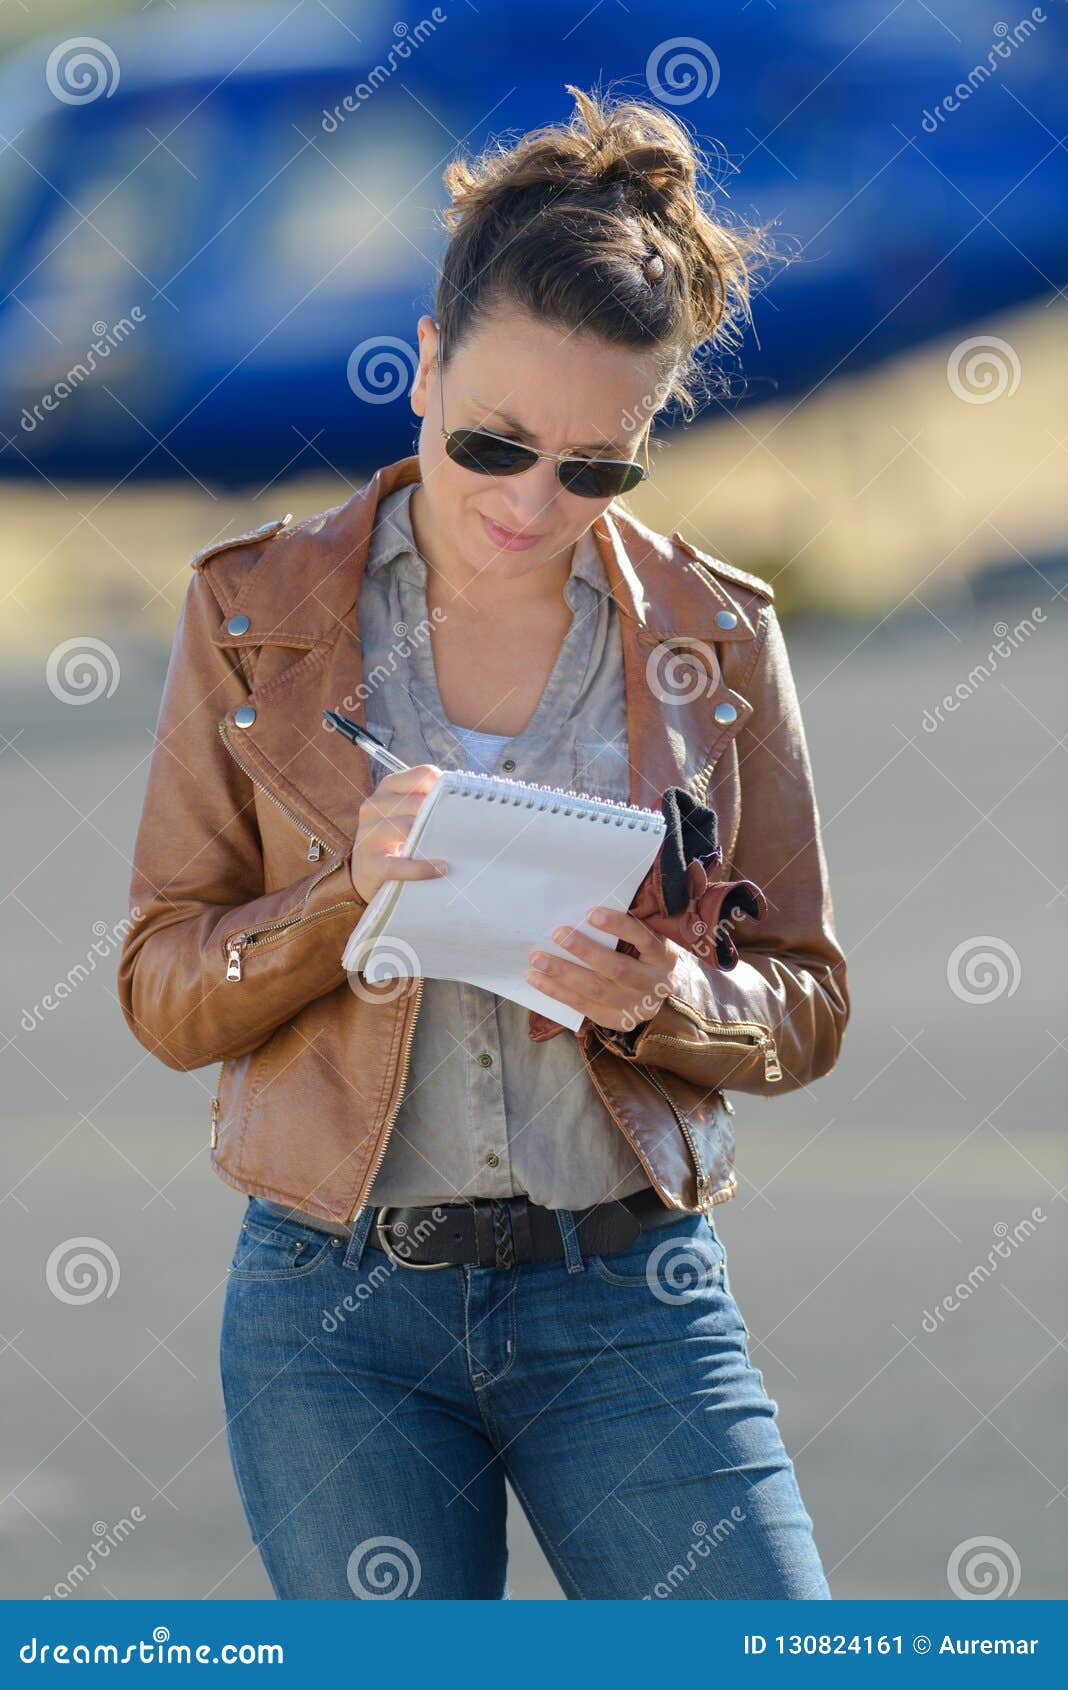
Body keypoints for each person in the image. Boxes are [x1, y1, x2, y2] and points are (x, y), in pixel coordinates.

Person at [118, 86, 848, 1601]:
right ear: (426, 367)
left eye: (597, 467)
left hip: (635, 1293)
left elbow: (809, 996)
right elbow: (160, 988)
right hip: (337, 1313)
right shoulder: (254, 612)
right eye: (496, 444)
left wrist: (678, 999)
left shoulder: (718, 634)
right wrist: (340, 902)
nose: (533, 503)